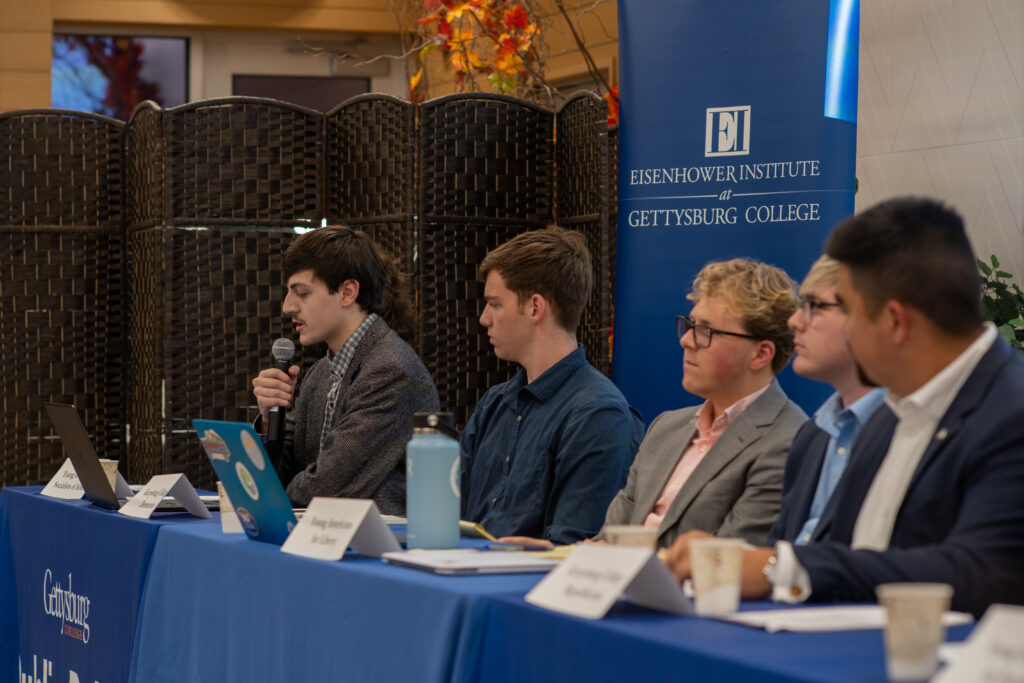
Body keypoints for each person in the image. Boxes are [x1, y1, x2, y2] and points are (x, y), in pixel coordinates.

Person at [664, 197, 1024, 616]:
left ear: (895, 321)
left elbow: (986, 573)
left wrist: (779, 567)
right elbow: (845, 557)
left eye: (843, 310)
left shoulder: (1009, 414)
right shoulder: (886, 416)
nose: (796, 324)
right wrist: (749, 562)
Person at [597, 258, 807, 548]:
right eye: (690, 325)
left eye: (707, 331)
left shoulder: (789, 442)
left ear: (760, 354)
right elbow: (608, 538)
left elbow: (725, 562)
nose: (686, 341)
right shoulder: (665, 428)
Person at [459, 226, 644, 545]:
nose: (484, 318)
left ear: (535, 307)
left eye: (495, 304)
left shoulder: (599, 416)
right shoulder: (494, 403)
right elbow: (448, 514)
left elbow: (576, 549)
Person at [251, 226, 439, 512]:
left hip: (377, 539)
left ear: (347, 292)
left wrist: (262, 496)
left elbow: (328, 488)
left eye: (302, 293)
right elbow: (287, 471)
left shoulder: (390, 371)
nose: (288, 306)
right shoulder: (320, 372)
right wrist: (269, 421)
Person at [767, 256, 889, 545]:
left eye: (814, 306)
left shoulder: (914, 432)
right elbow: (778, 547)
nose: (794, 321)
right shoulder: (812, 435)